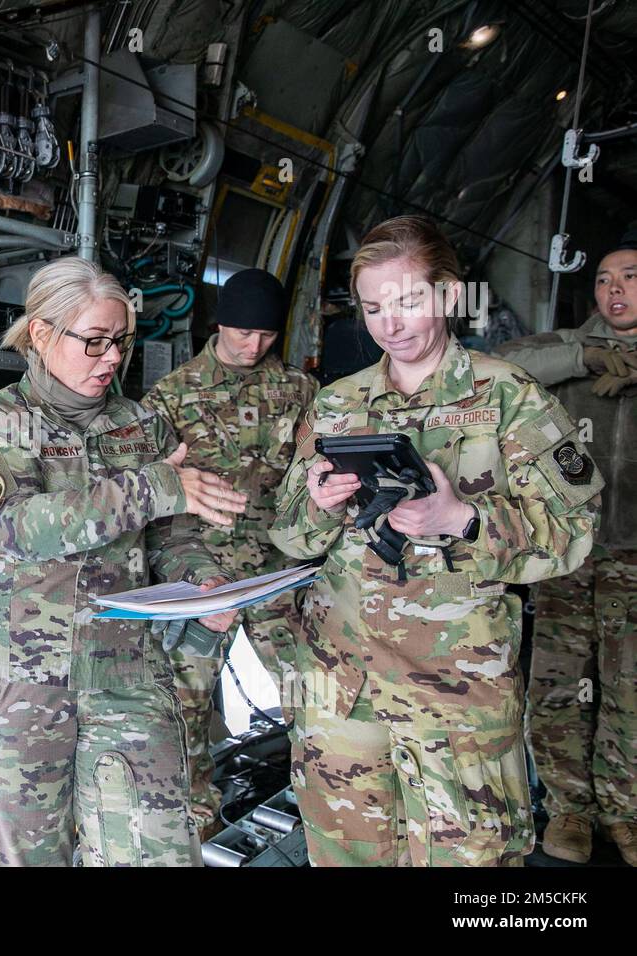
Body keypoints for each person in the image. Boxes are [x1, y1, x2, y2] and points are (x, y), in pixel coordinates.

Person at [270, 215, 602, 866]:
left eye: (408, 301)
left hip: (456, 697)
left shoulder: (510, 399)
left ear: (450, 295)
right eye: (372, 307)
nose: (389, 324)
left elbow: (575, 532)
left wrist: (467, 521)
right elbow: (288, 535)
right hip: (341, 695)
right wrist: (317, 504)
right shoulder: (338, 405)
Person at [0, 256, 245, 866]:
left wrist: (201, 581)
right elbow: (20, 527)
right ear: (42, 335)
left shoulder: (142, 426)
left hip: (127, 675)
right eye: (94, 342)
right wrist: (156, 486)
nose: (112, 358)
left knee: (161, 853)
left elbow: (171, 537)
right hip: (17, 683)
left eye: (121, 342)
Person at [142, 268, 318, 838]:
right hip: (204, 575)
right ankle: (194, 825)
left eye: (266, 335)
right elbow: (151, 494)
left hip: (276, 572)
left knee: (311, 694)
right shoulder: (172, 396)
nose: (253, 345)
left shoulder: (299, 391)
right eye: (242, 332)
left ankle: (329, 808)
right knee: (183, 705)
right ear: (218, 322)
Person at [494, 231, 637, 865]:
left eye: (630, 277)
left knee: (629, 688)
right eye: (606, 278)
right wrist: (585, 354)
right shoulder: (570, 346)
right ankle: (571, 811)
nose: (615, 289)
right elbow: (501, 367)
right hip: (572, 549)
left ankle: (625, 811)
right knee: (558, 681)